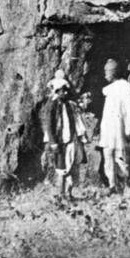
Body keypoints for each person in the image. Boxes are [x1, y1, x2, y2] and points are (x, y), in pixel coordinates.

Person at [41, 72, 86, 201]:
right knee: (61, 169)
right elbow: (49, 125)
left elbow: (75, 122)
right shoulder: (52, 106)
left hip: (70, 140)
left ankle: (69, 194)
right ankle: (61, 195)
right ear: (57, 91)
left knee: (71, 167)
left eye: (65, 91)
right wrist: (53, 142)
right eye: (62, 91)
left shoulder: (68, 105)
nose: (65, 93)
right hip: (60, 142)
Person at [99, 59, 130, 194]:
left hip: (119, 129)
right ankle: (112, 186)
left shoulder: (125, 87)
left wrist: (128, 130)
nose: (105, 75)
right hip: (108, 129)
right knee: (108, 157)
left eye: (107, 72)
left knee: (121, 157)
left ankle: (124, 185)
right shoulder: (110, 89)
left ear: (113, 72)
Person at [77, 89, 102, 191]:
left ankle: (94, 181)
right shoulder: (78, 114)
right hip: (82, 141)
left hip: (92, 141)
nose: (87, 100)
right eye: (85, 98)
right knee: (82, 160)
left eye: (88, 98)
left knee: (94, 159)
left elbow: (96, 130)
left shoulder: (95, 117)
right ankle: (82, 182)